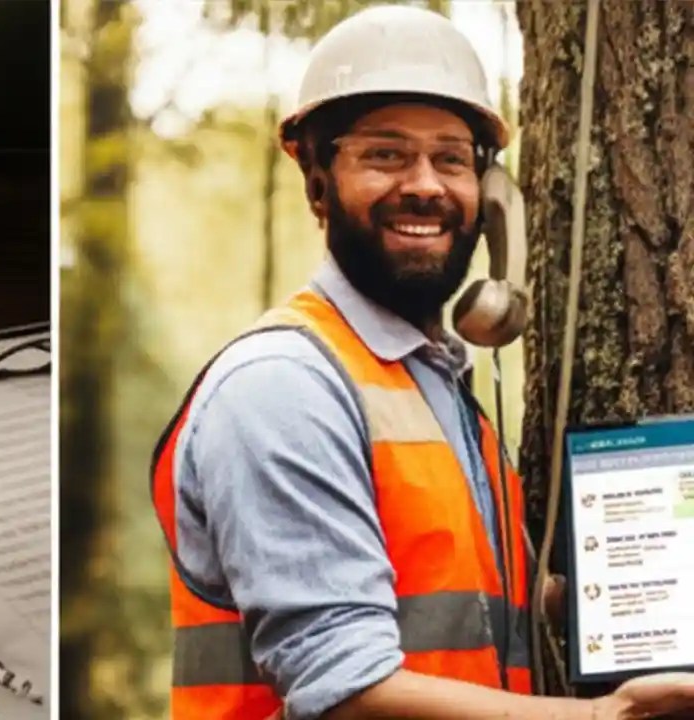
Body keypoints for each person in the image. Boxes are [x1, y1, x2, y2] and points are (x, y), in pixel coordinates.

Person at [149, 5, 694, 720]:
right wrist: (604, 715)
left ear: (491, 198)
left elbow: (453, 609)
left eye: (452, 159)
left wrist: (620, 591)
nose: (427, 186)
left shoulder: (434, 389)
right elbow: (345, 687)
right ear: (317, 183)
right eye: (386, 154)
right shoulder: (282, 386)